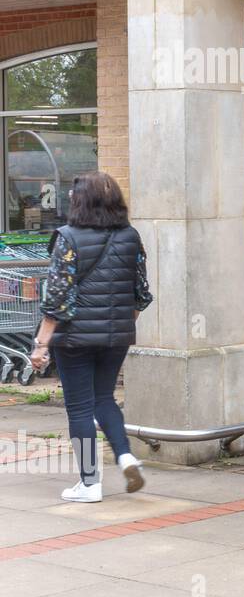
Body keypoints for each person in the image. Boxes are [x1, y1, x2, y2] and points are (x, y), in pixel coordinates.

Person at [30, 171, 153, 503]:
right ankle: (126, 456)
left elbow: (57, 299)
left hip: (75, 340)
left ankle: (89, 483)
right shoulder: (131, 236)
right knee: (105, 399)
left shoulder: (67, 237)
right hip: (117, 337)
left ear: (81, 201)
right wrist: (120, 325)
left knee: (80, 408)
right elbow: (141, 294)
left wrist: (41, 345)